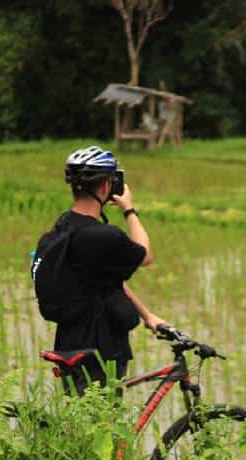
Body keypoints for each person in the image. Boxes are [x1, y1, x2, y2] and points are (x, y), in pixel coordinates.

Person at [55, 145, 167, 394]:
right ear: (106, 186)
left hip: (68, 344)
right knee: (101, 428)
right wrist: (129, 210)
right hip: (101, 350)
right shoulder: (103, 235)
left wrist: (148, 316)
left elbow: (109, 281)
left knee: (80, 424)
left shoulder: (63, 227)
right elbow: (145, 255)